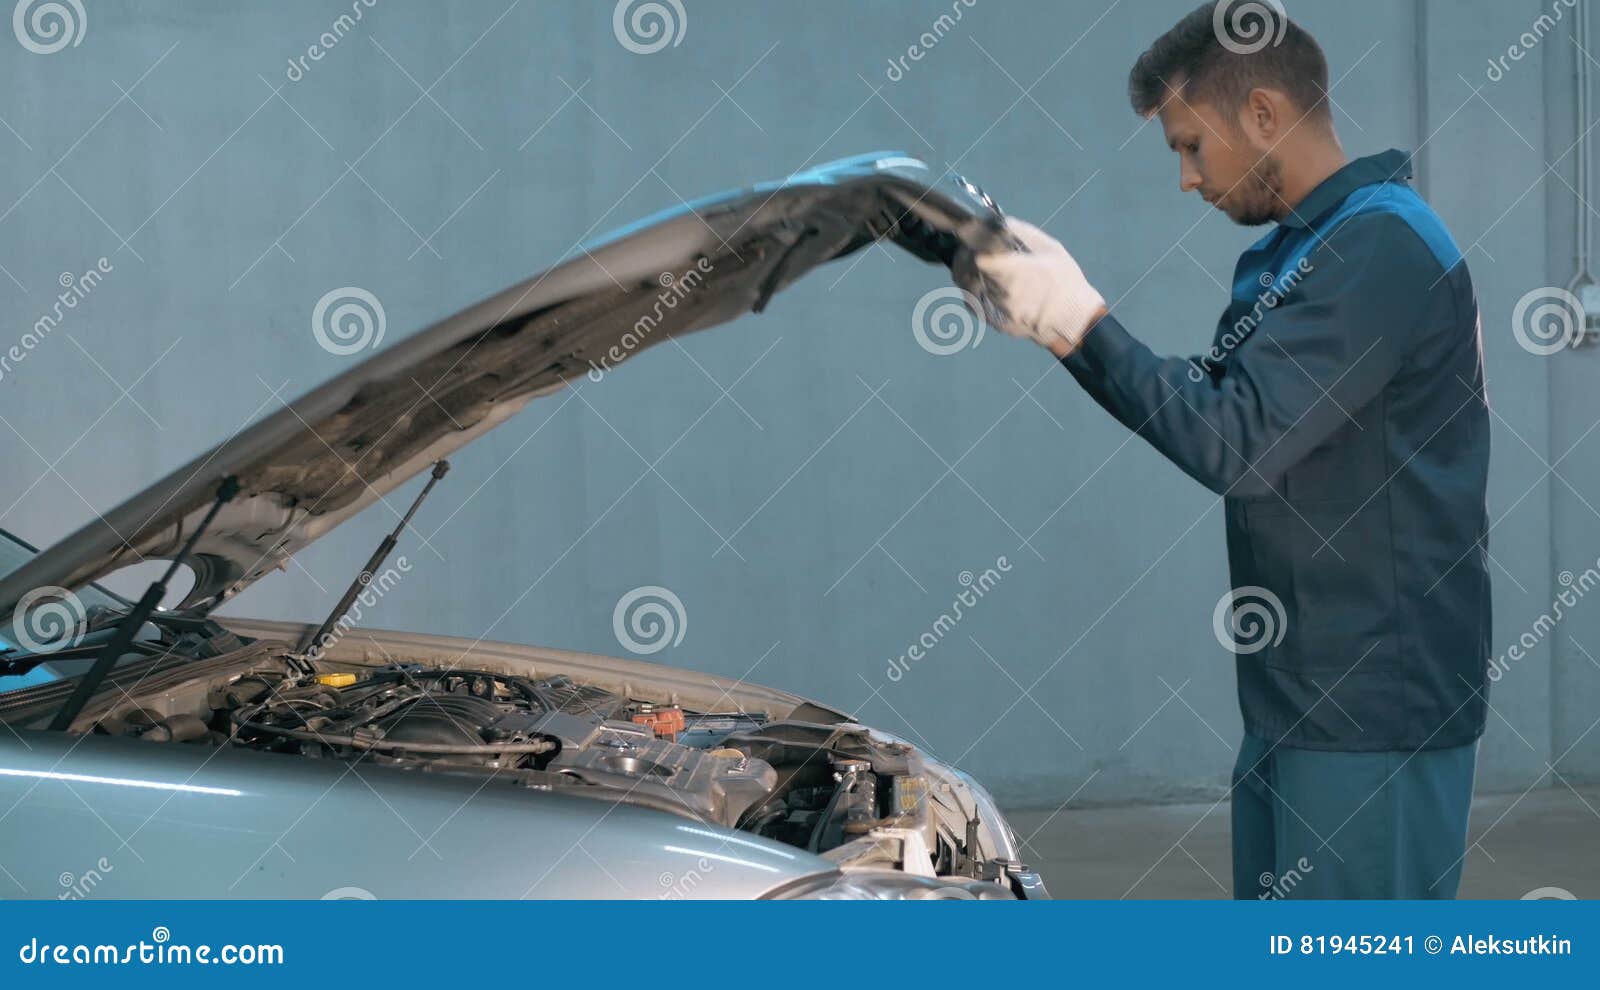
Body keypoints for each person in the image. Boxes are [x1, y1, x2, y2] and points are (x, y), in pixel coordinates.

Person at [955, 1, 1489, 898]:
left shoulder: (1376, 248)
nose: (1187, 179)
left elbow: (1232, 444)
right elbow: (1222, 411)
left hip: (1372, 714)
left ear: (1266, 114)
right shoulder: (1310, 250)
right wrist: (1067, 322)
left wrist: (1077, 322)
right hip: (1301, 702)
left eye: (1188, 146)